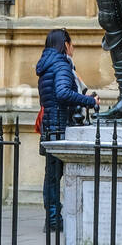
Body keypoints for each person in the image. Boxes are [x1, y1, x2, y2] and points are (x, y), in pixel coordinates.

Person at [36, 29, 98, 232]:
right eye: (72, 43)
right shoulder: (61, 65)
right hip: (62, 126)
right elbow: (63, 93)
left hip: (50, 126)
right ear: (65, 45)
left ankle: (52, 217)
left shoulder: (46, 65)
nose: (74, 48)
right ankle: (57, 219)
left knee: (52, 176)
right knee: (67, 173)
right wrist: (90, 101)